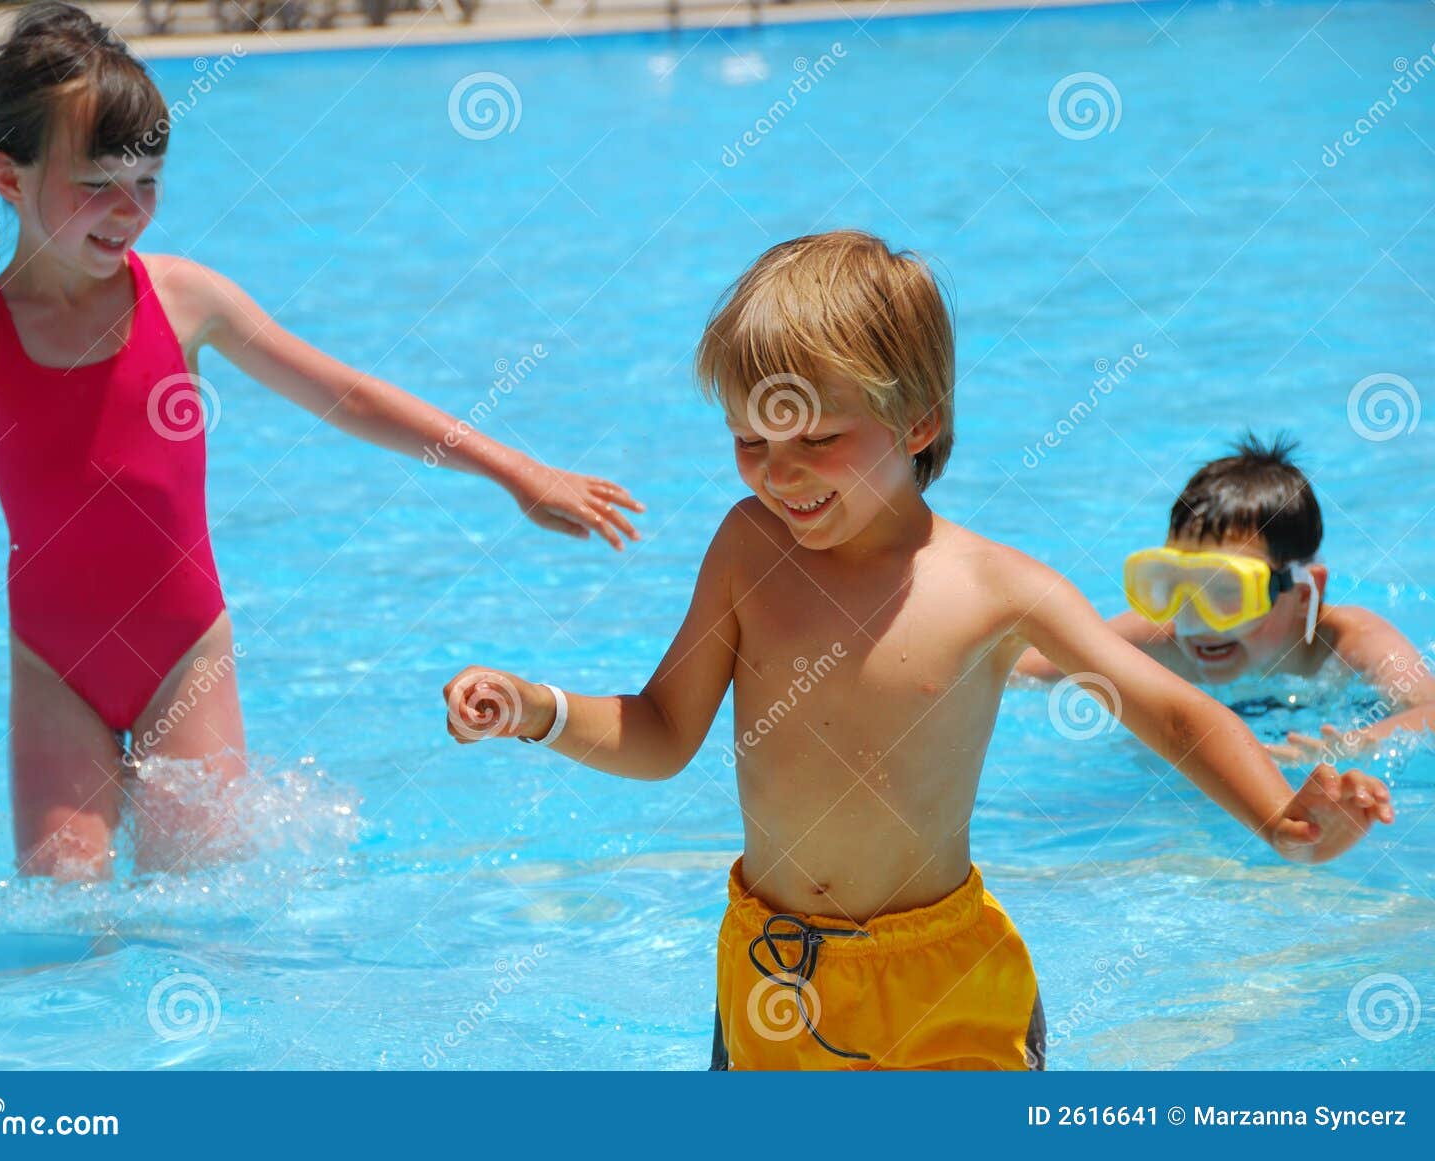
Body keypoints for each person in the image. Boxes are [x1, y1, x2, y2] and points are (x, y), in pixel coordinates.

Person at [443, 231, 1393, 1070]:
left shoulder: (994, 588)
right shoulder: (746, 549)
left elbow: (1171, 707)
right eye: (748, 439)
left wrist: (1283, 819)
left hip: (947, 980)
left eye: (817, 436)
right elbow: (660, 731)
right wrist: (540, 710)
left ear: (920, 420)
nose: (780, 473)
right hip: (776, 975)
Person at [0, 2, 642, 880]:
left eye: (147, 182)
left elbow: (346, 395)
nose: (128, 210)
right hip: (53, 671)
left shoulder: (184, 299)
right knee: (65, 912)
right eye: (96, 182)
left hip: (185, 656)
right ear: (8, 177)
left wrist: (515, 470)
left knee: (201, 911)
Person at [1013, 434, 1435, 765]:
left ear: (1306, 593)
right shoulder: (1163, 640)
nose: (1195, 618)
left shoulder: (1348, 645)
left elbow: (1429, 711)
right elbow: (1022, 669)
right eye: (1174, 581)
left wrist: (1356, 745)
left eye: (1227, 590)